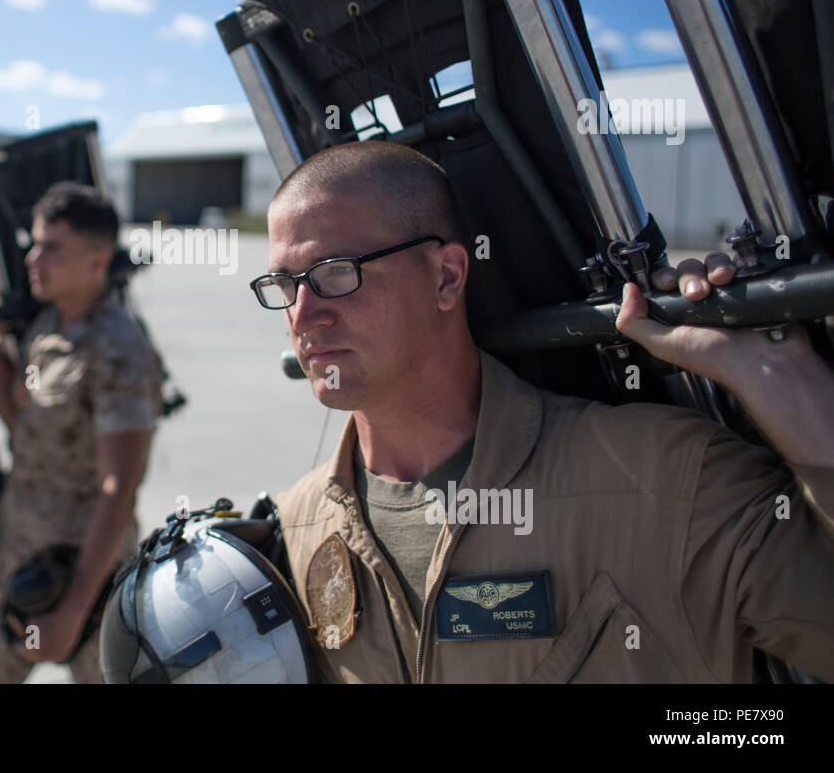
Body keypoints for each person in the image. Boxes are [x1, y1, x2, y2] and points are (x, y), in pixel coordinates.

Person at [256, 140, 834, 683]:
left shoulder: (667, 480)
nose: (303, 316)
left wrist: (786, 384)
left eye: (335, 274)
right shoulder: (300, 525)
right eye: (285, 283)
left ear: (446, 275)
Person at [0, 182, 163, 683]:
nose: (34, 259)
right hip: (14, 548)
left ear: (98, 260)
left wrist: (72, 613)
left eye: (53, 249)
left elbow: (119, 486)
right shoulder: (47, 323)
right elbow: (24, 426)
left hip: (86, 569)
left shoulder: (119, 350)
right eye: (35, 244)